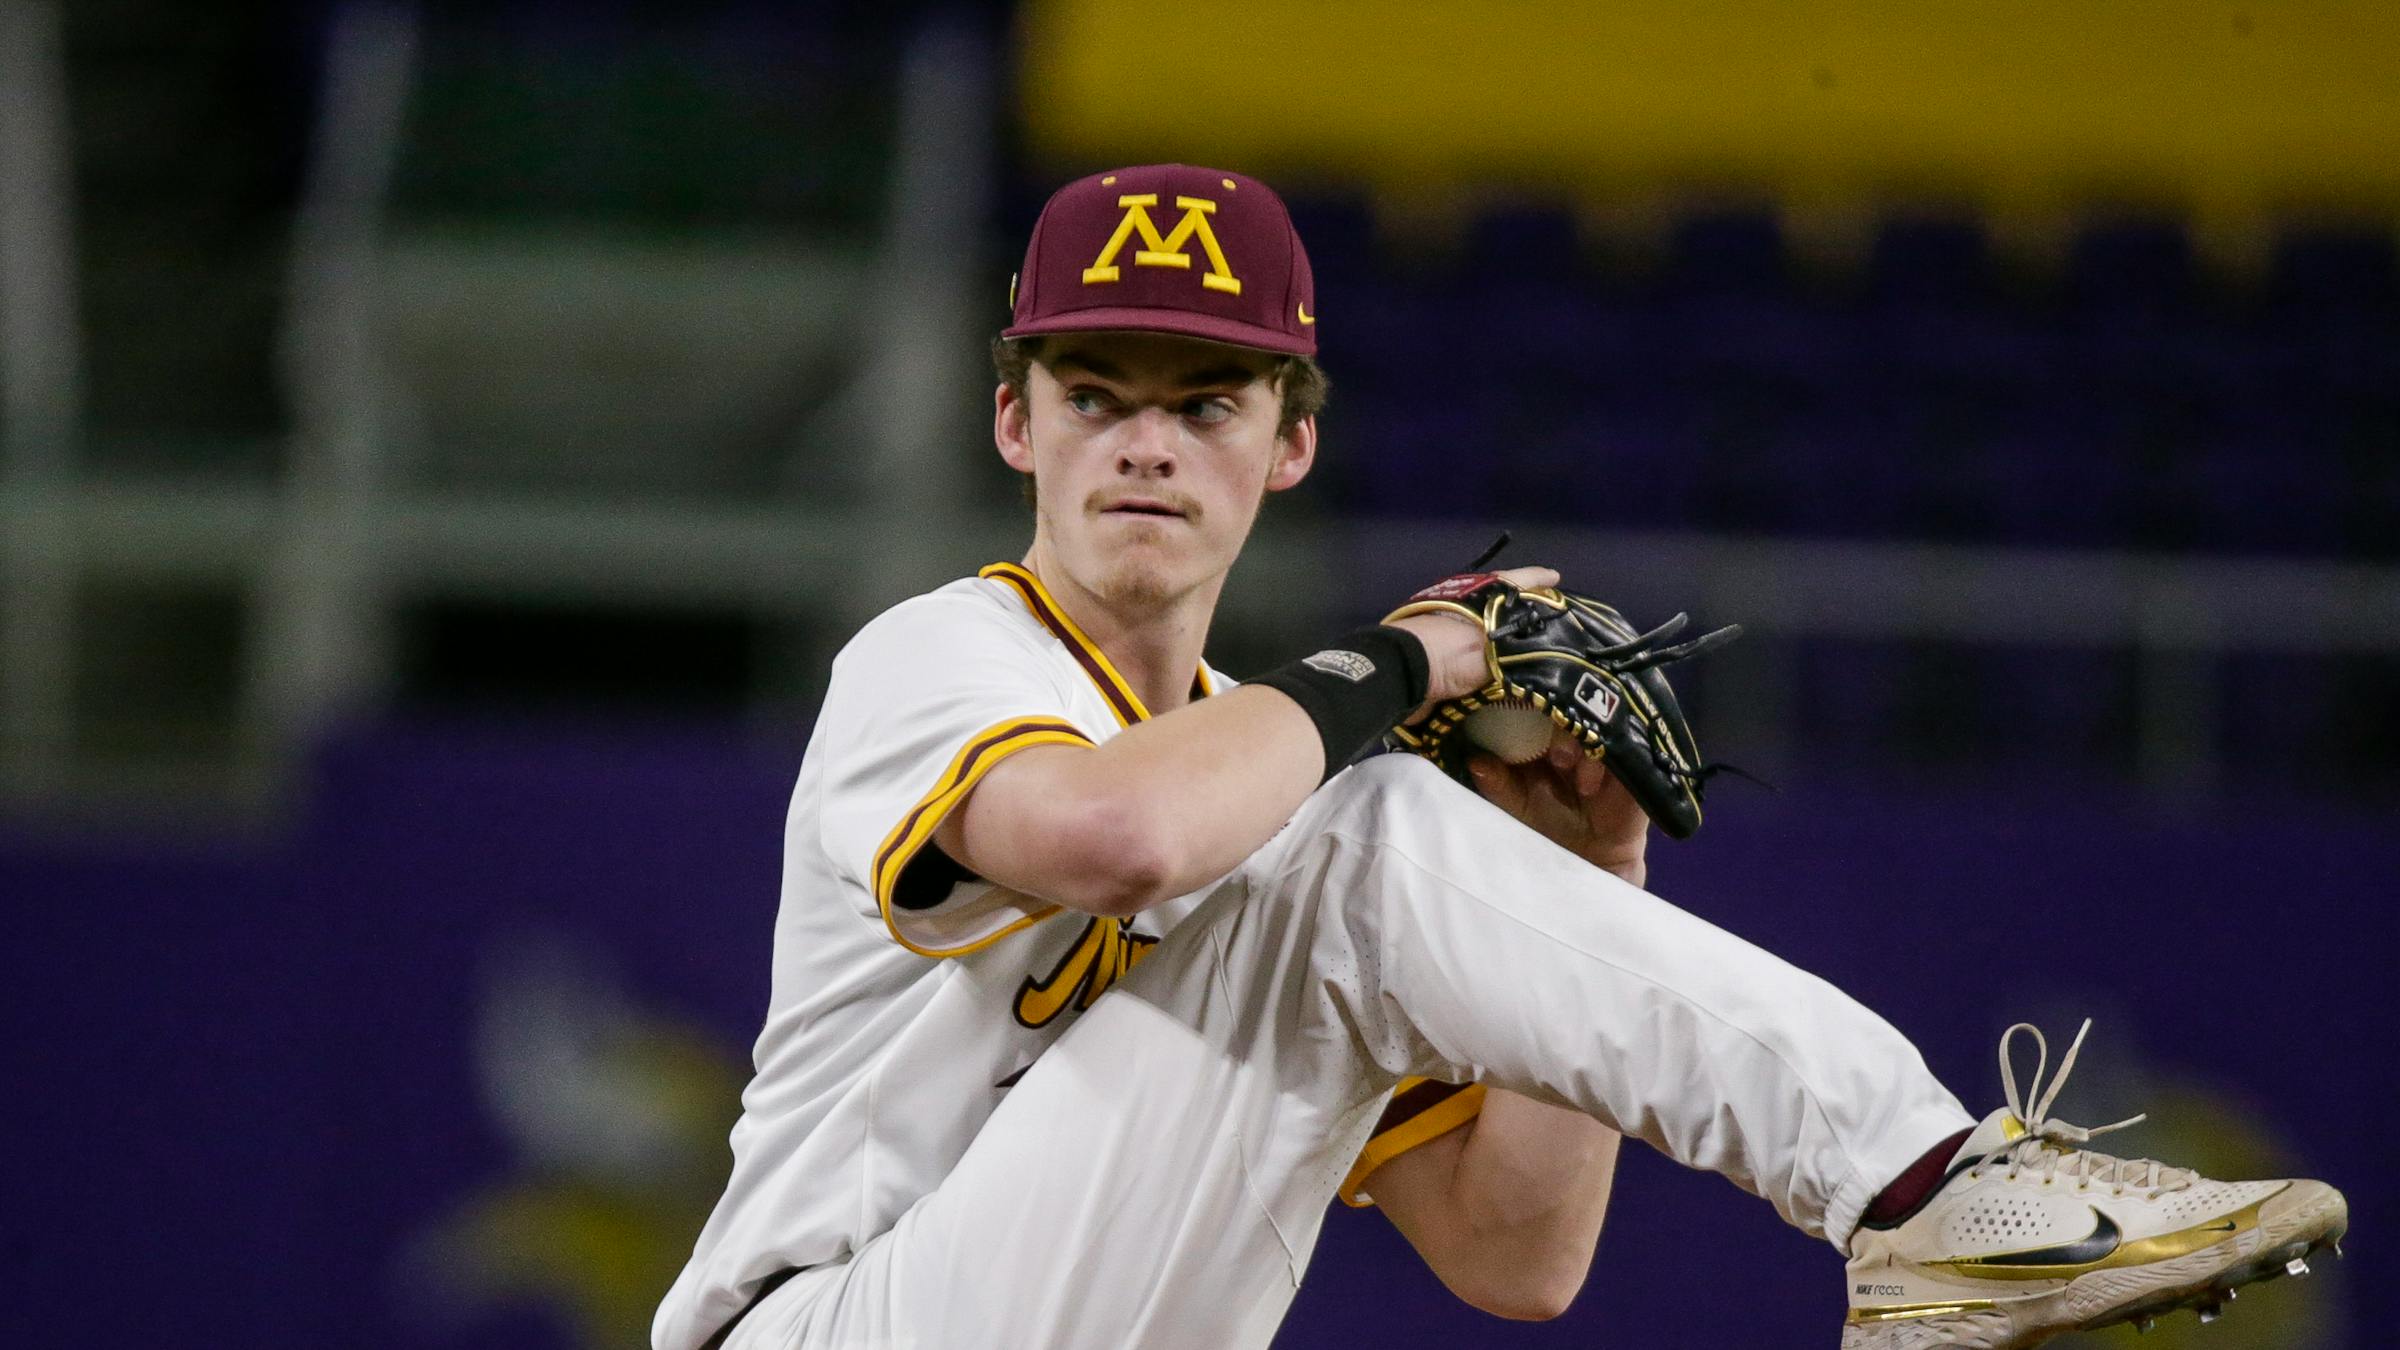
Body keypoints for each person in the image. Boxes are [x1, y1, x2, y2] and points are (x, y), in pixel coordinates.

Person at [652, 164, 2346, 1350]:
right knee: (1357, 814)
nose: (1148, 444)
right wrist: (1415, 653)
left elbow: (1514, 1257)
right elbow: (1116, 834)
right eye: (1098, 393)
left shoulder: (1273, 811)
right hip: (834, 1321)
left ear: (1291, 441)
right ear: (1016, 422)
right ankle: (1926, 1183)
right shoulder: (942, 654)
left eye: (1209, 400)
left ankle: (1930, 1203)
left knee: (1344, 826)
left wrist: (1573, 877)